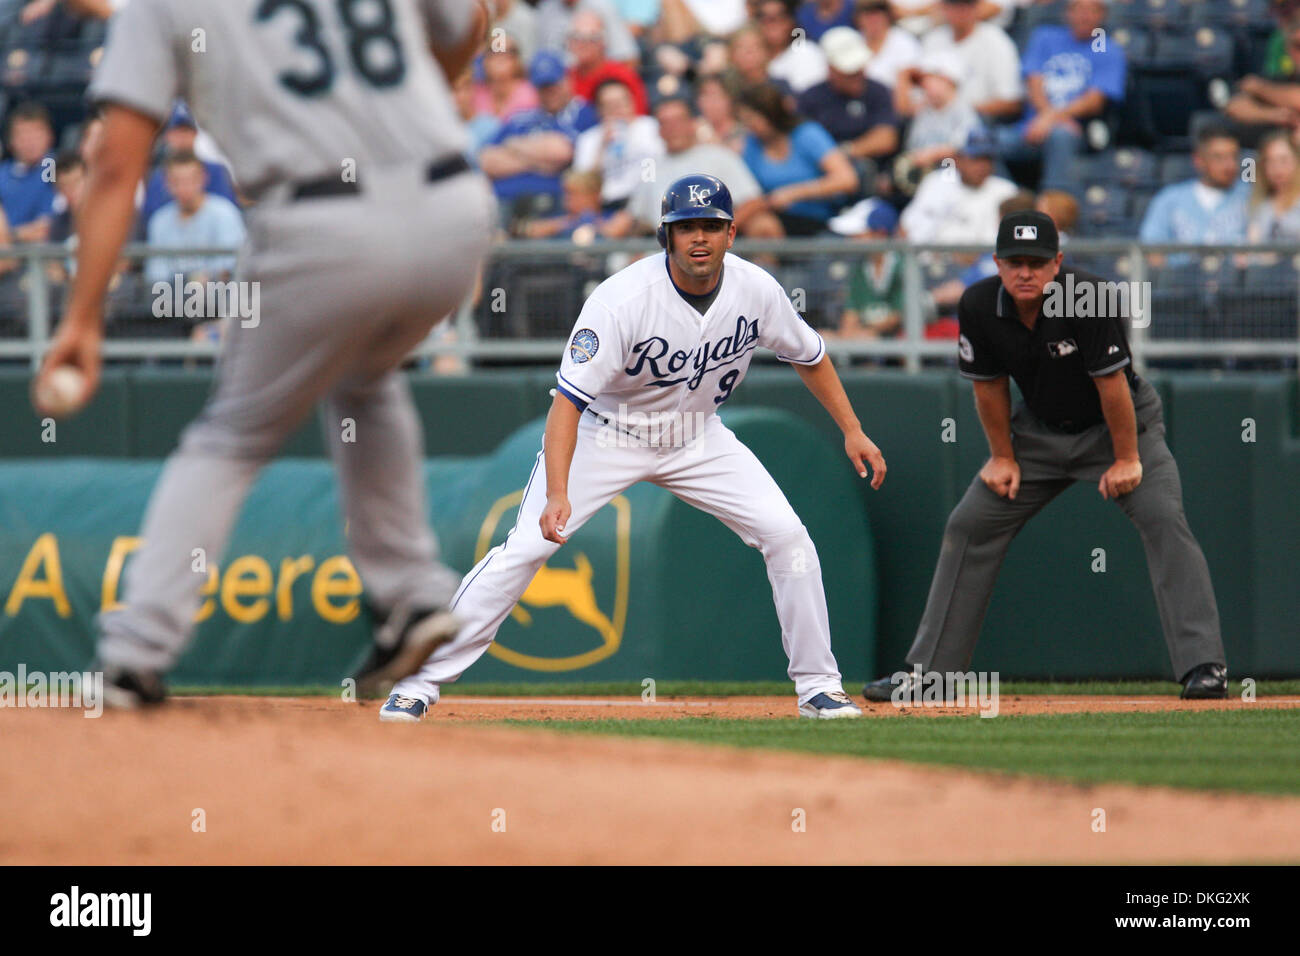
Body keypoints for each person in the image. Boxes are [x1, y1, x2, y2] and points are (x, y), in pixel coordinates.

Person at [34, 0, 499, 707]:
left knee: (232, 434)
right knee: (366, 381)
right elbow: (470, 22)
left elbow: (116, 164)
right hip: (456, 208)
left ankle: (134, 655)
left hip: (322, 225)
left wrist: (83, 316)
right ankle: (412, 593)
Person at [380, 174, 887, 722]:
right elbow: (567, 405)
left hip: (697, 436)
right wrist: (557, 492)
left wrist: (852, 428)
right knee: (526, 548)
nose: (699, 238)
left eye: (711, 226)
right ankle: (419, 682)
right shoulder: (622, 299)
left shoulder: (757, 289)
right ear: (665, 236)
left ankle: (818, 686)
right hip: (610, 432)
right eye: (686, 227)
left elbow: (809, 355)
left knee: (787, 536)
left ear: (731, 233)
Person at [864, 210, 1229, 703]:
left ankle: (1204, 666)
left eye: (1036, 262)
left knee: (1164, 517)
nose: (1025, 272)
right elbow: (989, 387)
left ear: (1057, 263)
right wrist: (1002, 457)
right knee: (970, 523)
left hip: (1118, 429)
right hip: (1037, 433)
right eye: (1014, 261)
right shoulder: (978, 303)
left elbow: (1112, 385)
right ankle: (934, 675)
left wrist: (1126, 458)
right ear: (995, 262)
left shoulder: (1089, 296)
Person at [998, 0, 1126, 193]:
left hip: (1078, 130)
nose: (1085, 15)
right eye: (1079, 9)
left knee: (1060, 136)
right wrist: (1046, 118)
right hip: (1030, 127)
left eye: (1092, 10)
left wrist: (1051, 119)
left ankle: (1053, 204)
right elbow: (1033, 82)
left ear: (1102, 15)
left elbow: (1094, 101)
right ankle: (1008, 198)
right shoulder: (1045, 37)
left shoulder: (1107, 48)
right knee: (987, 142)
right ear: (1067, 12)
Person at [608, 94, 774, 236]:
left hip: (712, 239)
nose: (672, 128)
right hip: (662, 245)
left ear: (692, 123)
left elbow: (753, 200)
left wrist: (717, 232)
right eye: (665, 122)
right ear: (659, 130)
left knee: (764, 224)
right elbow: (634, 213)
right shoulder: (650, 165)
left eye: (678, 121)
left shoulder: (719, 155)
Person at [737, 82, 860, 235]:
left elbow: (847, 180)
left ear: (770, 113)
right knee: (760, 225)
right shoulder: (751, 145)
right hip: (776, 218)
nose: (749, 126)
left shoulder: (807, 134)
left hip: (817, 219)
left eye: (752, 119)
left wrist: (792, 194)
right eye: (744, 120)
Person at [796, 27, 900, 165]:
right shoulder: (810, 98)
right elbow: (801, 144)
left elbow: (886, 139)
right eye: (849, 73)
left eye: (859, 69)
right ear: (831, 69)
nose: (857, 76)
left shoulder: (878, 91)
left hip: (871, 167)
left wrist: (844, 152)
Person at [899, 126, 1018, 243]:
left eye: (987, 159)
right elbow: (905, 228)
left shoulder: (1006, 192)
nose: (982, 166)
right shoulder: (937, 182)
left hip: (985, 260)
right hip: (933, 258)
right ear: (959, 159)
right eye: (975, 159)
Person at [144, 152, 246, 284]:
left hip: (218, 297)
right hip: (169, 297)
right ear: (166, 183)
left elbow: (229, 265)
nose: (184, 188)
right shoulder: (159, 220)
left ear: (203, 178)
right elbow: (155, 271)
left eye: (190, 180)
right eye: (176, 181)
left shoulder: (225, 212)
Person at [1139, 125, 1249, 246]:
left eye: (1234, 156)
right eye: (1219, 157)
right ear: (1199, 160)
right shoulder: (1170, 199)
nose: (1229, 165)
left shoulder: (1250, 196)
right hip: (1180, 265)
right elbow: (1152, 249)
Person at [139, 104, 240, 231]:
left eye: (187, 131)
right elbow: (148, 223)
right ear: (167, 136)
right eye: (177, 132)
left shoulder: (216, 171)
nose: (182, 138)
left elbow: (231, 218)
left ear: (195, 134)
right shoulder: (157, 177)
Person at [920, 0, 1022, 121]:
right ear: (943, 8)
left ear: (976, 7)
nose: (958, 12)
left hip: (983, 124)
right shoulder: (933, 39)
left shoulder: (996, 41)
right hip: (933, 121)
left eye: (965, 6)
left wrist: (959, 108)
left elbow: (1011, 102)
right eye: (952, 6)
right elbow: (917, 98)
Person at [572, 79, 665, 210]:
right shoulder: (588, 139)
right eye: (610, 106)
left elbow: (659, 166)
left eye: (622, 103)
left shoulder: (651, 127)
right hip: (605, 206)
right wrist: (602, 147)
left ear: (632, 102)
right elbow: (583, 186)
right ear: (599, 110)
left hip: (645, 201)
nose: (618, 110)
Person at [828, 198, 904, 341]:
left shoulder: (902, 266)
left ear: (881, 234)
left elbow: (900, 315)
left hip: (895, 340)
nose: (853, 239)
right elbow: (851, 313)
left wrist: (866, 332)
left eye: (865, 233)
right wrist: (847, 336)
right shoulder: (860, 269)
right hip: (863, 336)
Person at [895, 52, 978, 172]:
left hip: (955, 175)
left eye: (929, 78)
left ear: (948, 80)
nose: (924, 84)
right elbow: (912, 148)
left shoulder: (963, 110)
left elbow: (964, 147)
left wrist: (933, 154)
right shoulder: (924, 111)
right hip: (927, 177)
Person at [566, 8, 649, 113]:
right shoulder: (566, 78)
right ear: (569, 42)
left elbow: (638, 117)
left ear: (604, 42)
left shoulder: (622, 75)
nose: (583, 44)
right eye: (576, 37)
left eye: (592, 38)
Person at [0, 102, 58, 242]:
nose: (29, 141)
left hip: (43, 253)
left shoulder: (55, 168)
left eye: (35, 133)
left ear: (49, 135)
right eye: (22, 134)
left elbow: (46, 226)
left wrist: (10, 236)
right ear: (10, 141)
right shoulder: (3, 172)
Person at [757, 0, 829, 94]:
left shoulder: (806, 52)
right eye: (765, 18)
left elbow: (811, 100)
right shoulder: (754, 57)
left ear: (791, 21)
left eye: (779, 17)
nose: (771, 24)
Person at [537, 0, 640, 63]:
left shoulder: (602, 5)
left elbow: (627, 57)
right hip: (559, 83)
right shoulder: (546, 9)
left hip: (597, 80)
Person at [1246, 128, 1300, 242]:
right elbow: (1252, 249)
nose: (1277, 169)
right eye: (1270, 161)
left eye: (1283, 160)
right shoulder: (1258, 205)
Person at [856, 0, 922, 91]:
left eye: (877, 15)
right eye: (868, 15)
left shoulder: (904, 41)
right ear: (859, 19)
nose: (872, 21)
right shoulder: (853, 41)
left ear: (887, 17)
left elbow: (908, 84)